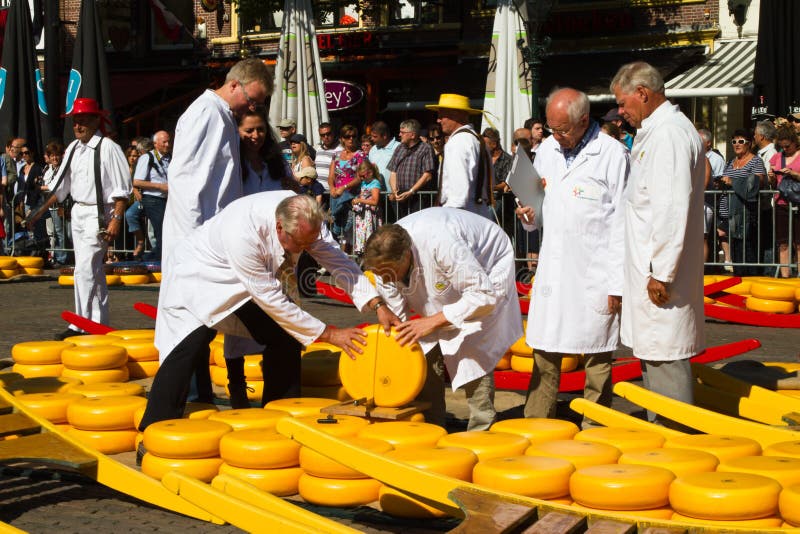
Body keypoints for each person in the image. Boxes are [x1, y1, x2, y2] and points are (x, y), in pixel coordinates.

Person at [139, 192, 397, 431]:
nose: (305, 250)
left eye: (310, 242)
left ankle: (279, 420)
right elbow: (270, 300)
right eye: (300, 244)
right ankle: (152, 431)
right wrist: (329, 334)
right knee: (188, 345)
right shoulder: (242, 232)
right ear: (279, 228)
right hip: (199, 278)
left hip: (243, 281)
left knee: (285, 337)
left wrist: (376, 303)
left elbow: (336, 259)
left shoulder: (305, 218)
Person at [160, 57, 272, 404]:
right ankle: (181, 400)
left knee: (204, 323)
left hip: (212, 237)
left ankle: (197, 395)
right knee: (194, 325)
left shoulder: (222, 115)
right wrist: (197, 240)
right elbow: (188, 181)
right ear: (234, 84)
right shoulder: (207, 112)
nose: (252, 108)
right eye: (251, 100)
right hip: (199, 239)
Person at [515, 88, 628, 425]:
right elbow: (541, 205)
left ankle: (595, 427)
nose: (556, 137)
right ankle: (538, 423)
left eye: (563, 129)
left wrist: (617, 283)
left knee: (597, 356)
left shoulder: (612, 154)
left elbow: (623, 221)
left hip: (596, 272)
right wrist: (529, 216)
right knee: (545, 351)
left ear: (583, 121)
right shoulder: (547, 149)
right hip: (554, 269)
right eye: (551, 128)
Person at [363, 208, 522, 430]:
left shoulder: (442, 242)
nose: (386, 279)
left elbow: (482, 296)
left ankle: (482, 425)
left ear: (406, 255)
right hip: (444, 277)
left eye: (390, 273)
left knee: (472, 344)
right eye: (381, 275)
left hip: (486, 266)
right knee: (417, 345)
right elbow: (399, 318)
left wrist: (434, 320)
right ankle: (432, 425)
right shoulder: (383, 261)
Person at [611, 61, 705, 425]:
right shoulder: (660, 131)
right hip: (651, 272)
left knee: (665, 360)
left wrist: (661, 273)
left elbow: (670, 209)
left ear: (643, 93)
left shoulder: (668, 135)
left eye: (623, 103)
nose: (621, 112)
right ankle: (662, 439)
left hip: (660, 277)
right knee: (654, 358)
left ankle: (676, 445)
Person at [26, 98, 131, 340]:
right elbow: (61, 188)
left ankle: (80, 324)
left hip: (99, 213)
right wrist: (39, 213)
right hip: (79, 212)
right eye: (76, 121)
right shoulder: (73, 148)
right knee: (89, 271)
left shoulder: (108, 148)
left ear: (96, 120)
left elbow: (121, 190)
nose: (78, 125)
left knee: (84, 269)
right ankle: (97, 323)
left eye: (83, 120)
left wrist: (115, 219)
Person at [224, 107, 298, 407]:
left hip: (274, 249)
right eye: (248, 131)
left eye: (260, 131)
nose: (255, 136)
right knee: (238, 325)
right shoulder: (231, 164)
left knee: (275, 317)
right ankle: (237, 389)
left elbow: (291, 191)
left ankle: (274, 388)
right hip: (241, 248)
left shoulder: (274, 165)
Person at [427, 94, 494, 219]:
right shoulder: (477, 139)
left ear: (456, 115)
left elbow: (458, 193)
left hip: (463, 215)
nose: (438, 120)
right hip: (479, 213)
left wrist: (451, 219)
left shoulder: (458, 142)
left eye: (442, 115)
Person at [719, 129, 765, 276]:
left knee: (748, 249)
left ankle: (750, 279)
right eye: (734, 141)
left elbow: (757, 183)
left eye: (741, 141)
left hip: (747, 214)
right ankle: (739, 278)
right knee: (736, 250)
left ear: (749, 144)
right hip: (730, 213)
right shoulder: (731, 162)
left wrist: (732, 181)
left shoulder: (756, 161)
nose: (737, 144)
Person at [132, 131, 171, 261]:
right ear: (155, 144)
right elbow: (137, 181)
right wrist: (160, 186)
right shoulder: (147, 158)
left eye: (168, 141)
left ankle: (155, 257)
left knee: (167, 230)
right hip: (153, 199)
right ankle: (156, 258)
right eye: (164, 142)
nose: (168, 144)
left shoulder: (170, 158)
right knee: (161, 229)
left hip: (167, 199)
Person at [768, 124, 800, 278]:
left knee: (799, 243)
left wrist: (794, 173)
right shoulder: (777, 157)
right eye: (782, 146)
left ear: (795, 142)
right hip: (781, 203)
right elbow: (773, 184)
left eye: (787, 146)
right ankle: (785, 277)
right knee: (783, 243)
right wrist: (772, 177)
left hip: (798, 203)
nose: (785, 149)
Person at [387, 119, 436, 219]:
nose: (399, 134)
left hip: (418, 198)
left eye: (403, 132)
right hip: (401, 197)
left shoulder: (426, 148)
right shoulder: (399, 148)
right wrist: (394, 191)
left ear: (412, 135)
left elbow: (427, 175)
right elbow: (393, 172)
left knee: (417, 227)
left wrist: (411, 191)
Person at [327, 124, 366, 251]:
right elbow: (331, 175)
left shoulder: (360, 155)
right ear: (342, 139)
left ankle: (349, 260)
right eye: (347, 136)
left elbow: (360, 176)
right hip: (336, 196)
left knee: (349, 229)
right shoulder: (337, 154)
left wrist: (343, 187)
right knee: (337, 227)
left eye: (354, 136)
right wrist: (332, 188)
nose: (351, 139)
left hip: (351, 197)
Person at [41, 141, 70, 266]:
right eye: (52, 155)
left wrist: (40, 188)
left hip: (61, 205)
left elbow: (55, 187)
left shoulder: (64, 169)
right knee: (55, 232)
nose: (54, 158)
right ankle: (59, 256)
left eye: (56, 155)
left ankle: (62, 258)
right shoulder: (48, 169)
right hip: (50, 205)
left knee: (62, 232)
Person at [124, 139, 150, 260]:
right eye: (130, 156)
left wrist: (135, 189)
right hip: (126, 203)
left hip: (139, 202)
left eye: (135, 155)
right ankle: (130, 253)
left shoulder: (141, 167)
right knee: (128, 231)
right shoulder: (123, 169)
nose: (133, 158)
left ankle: (141, 248)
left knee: (143, 227)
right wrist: (133, 189)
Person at [351, 161, 382, 257]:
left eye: (363, 176)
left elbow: (375, 201)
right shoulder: (364, 182)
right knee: (362, 236)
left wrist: (360, 200)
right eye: (360, 176)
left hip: (370, 214)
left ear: (370, 173)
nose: (361, 179)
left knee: (370, 236)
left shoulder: (375, 183)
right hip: (362, 214)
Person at [368, 121, 399, 195]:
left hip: (393, 193)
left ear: (384, 136)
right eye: (371, 136)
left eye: (375, 136)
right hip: (376, 194)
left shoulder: (398, 147)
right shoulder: (373, 149)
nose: (372, 139)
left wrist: (394, 191)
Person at [314, 121, 342, 193]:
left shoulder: (340, 150)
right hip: (318, 192)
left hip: (332, 192)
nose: (326, 137)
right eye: (323, 135)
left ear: (333, 133)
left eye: (328, 134)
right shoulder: (318, 149)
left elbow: (340, 171)